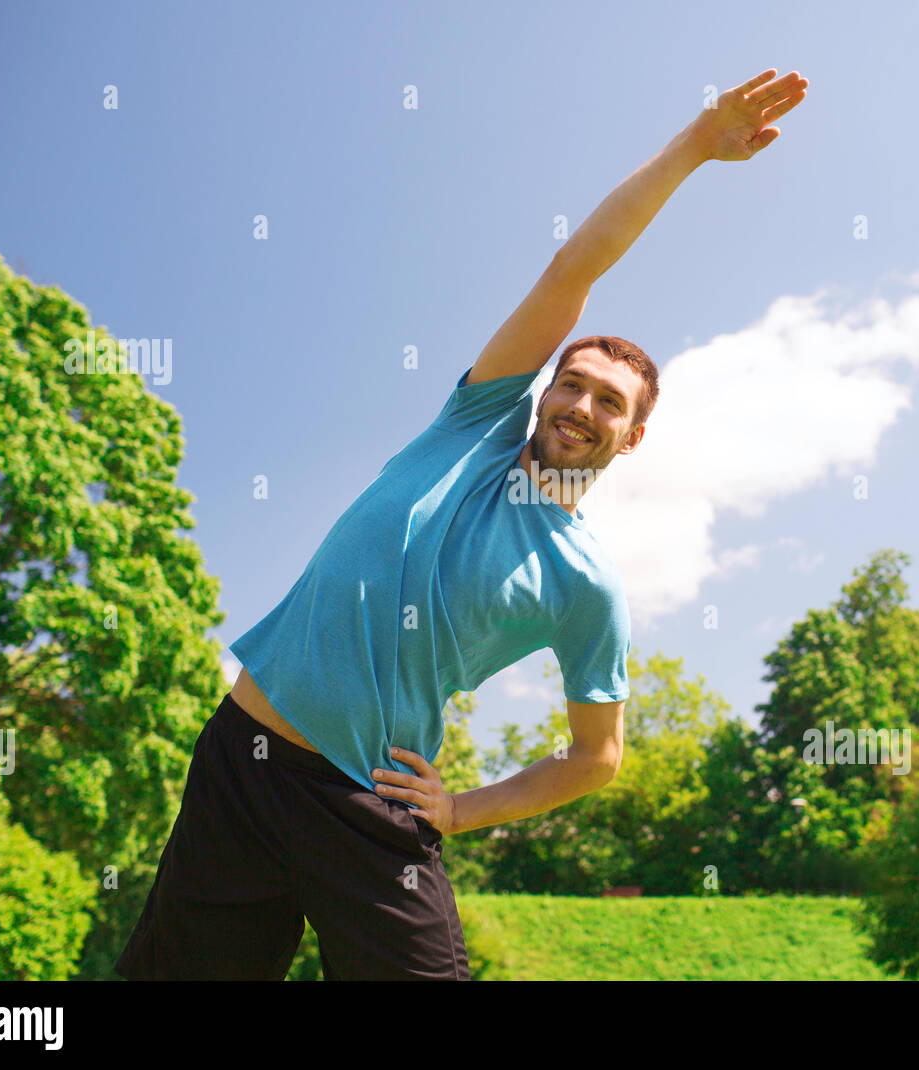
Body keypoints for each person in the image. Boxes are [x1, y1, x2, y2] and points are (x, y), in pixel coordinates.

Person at [115, 67, 809, 981]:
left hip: (368, 803)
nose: (581, 404)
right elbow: (577, 266)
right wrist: (694, 146)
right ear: (541, 392)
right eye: (571, 382)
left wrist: (462, 809)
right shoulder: (474, 427)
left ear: (631, 437)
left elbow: (597, 758)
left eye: (609, 401)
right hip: (238, 764)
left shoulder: (585, 584)